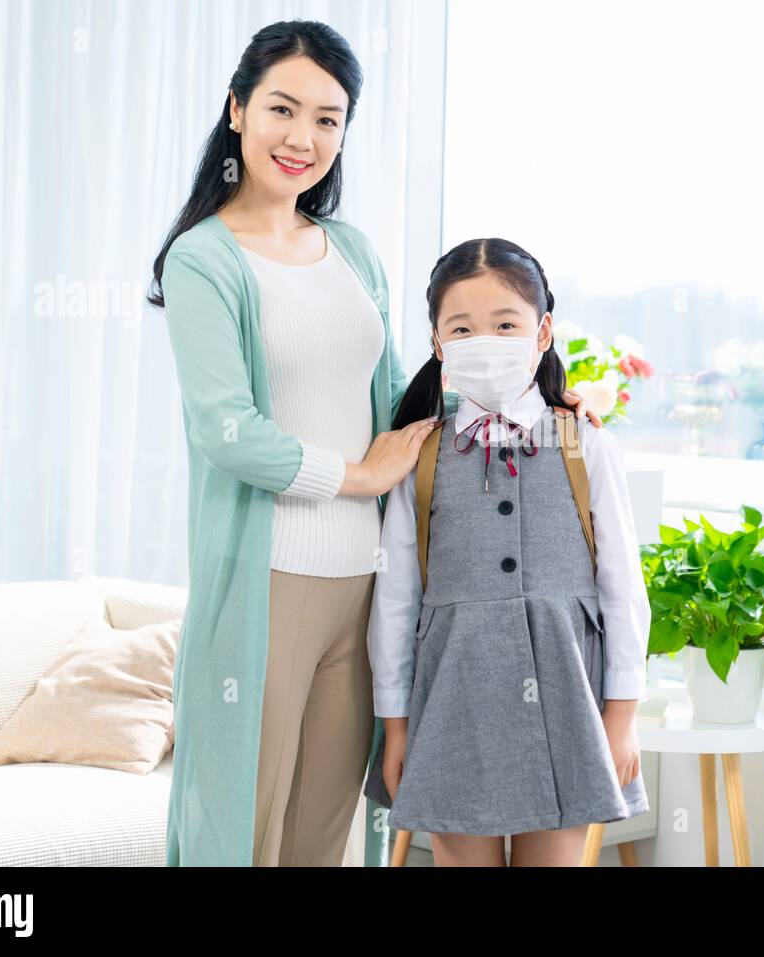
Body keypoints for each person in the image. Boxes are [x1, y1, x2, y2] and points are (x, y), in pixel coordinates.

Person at [148, 20, 598, 867]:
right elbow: (227, 431)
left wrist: (539, 394)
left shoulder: (350, 250)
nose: (303, 137)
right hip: (266, 581)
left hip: (365, 583)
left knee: (327, 831)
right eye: (283, 109)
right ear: (237, 109)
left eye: (329, 118)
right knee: (239, 831)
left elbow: (401, 401)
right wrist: (357, 477)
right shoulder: (203, 260)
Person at [362, 238, 651, 866]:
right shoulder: (421, 456)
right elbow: (395, 602)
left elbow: (624, 588)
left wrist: (623, 715)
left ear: (542, 332)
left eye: (505, 324)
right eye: (461, 327)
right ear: (439, 344)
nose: (484, 339)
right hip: (453, 698)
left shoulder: (586, 446)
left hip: (568, 697)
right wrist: (397, 726)